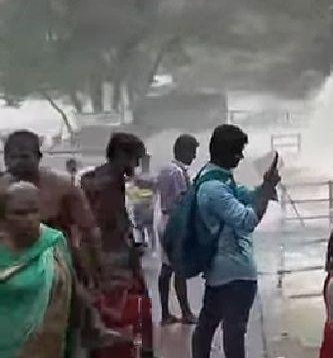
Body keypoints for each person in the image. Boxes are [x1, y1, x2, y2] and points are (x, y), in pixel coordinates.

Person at [191, 124, 280, 358]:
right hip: (234, 272)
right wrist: (267, 191)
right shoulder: (215, 189)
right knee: (233, 332)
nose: (241, 157)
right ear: (224, 152)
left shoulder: (212, 178)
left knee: (206, 326)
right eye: (237, 152)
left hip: (219, 271)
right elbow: (247, 220)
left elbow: (244, 195)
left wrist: (264, 187)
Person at [80, 132, 155, 358]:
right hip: (110, 258)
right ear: (121, 155)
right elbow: (106, 224)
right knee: (124, 311)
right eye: (135, 159)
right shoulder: (108, 183)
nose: (136, 166)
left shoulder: (95, 179)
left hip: (107, 254)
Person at [1, 130, 102, 288]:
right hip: (9, 267)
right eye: (13, 157)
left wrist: (93, 269)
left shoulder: (62, 186)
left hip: (57, 267)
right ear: (5, 159)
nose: (18, 162)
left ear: (38, 157)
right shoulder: (1, 189)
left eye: (25, 157)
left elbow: (88, 230)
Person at [0, 181, 78, 357]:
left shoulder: (53, 243)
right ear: (3, 217)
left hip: (44, 347)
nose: (29, 219)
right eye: (19, 213)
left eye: (34, 211)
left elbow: (71, 294)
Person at [155, 134, 199, 325]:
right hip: (175, 223)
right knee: (178, 269)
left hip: (164, 219)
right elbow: (183, 199)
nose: (194, 156)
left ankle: (165, 313)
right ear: (184, 150)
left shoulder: (165, 169)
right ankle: (185, 312)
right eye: (193, 152)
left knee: (166, 267)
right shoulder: (178, 173)